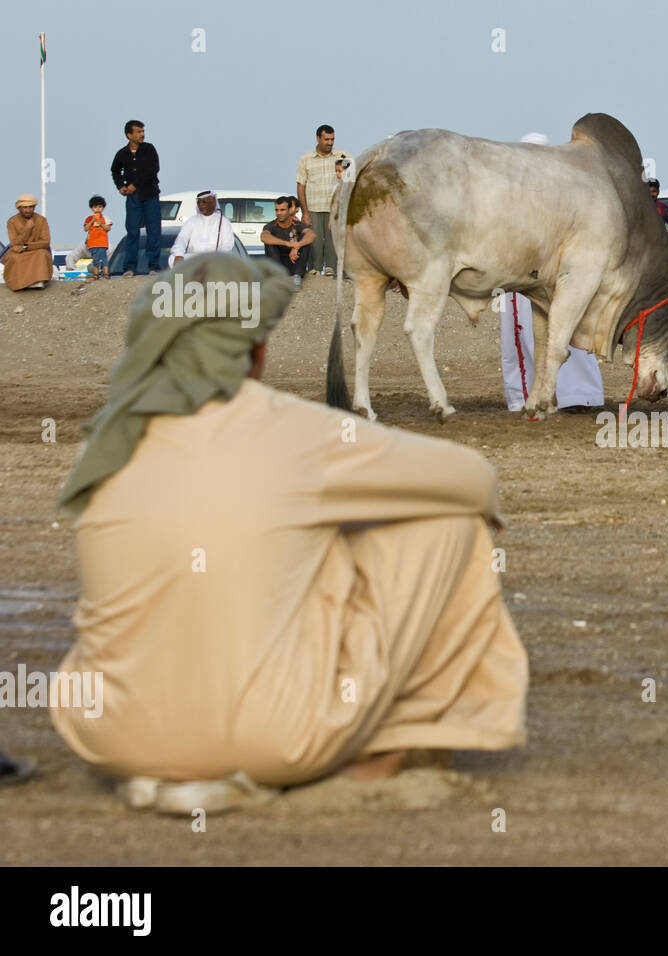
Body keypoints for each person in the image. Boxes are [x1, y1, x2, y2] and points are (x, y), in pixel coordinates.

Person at [52, 253, 528, 814]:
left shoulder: (103, 443)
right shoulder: (292, 430)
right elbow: (473, 480)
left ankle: (169, 767)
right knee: (450, 523)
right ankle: (380, 751)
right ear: (253, 351)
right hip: (270, 737)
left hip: (108, 734)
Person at [499, 132, 605, 414]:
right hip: (554, 276)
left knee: (537, 334)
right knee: (562, 331)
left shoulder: (523, 195)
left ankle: (541, 396)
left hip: (534, 276)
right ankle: (579, 394)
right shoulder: (570, 189)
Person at [110, 120, 163, 275]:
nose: (142, 134)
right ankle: (129, 267)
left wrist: (135, 185)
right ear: (129, 135)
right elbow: (115, 171)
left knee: (154, 230)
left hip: (150, 195)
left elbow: (153, 169)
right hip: (133, 199)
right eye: (138, 132)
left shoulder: (149, 149)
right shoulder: (122, 153)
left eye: (142, 131)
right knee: (132, 231)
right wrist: (121, 186)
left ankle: (153, 266)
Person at [297, 124, 350, 276]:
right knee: (315, 241)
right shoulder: (306, 159)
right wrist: (305, 212)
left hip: (335, 208)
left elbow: (352, 178)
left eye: (332, 139)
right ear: (318, 138)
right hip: (314, 207)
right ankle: (314, 270)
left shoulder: (342, 156)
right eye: (326, 139)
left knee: (333, 241)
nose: (330, 143)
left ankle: (331, 270)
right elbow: (301, 185)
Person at [169, 190, 236, 267]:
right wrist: (179, 254)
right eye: (199, 202)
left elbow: (227, 245)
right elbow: (181, 240)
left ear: (213, 202)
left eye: (204, 202)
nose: (200, 205)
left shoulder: (224, 222)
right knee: (174, 259)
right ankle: (178, 279)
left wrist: (218, 258)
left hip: (214, 259)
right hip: (193, 259)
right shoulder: (191, 221)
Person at [261, 196, 315, 289]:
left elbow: (311, 235)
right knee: (270, 240)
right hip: (278, 263)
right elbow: (264, 237)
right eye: (277, 210)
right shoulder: (271, 226)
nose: (279, 213)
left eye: (282, 210)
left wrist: (297, 246)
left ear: (290, 210)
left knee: (305, 238)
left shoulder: (298, 225)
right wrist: (288, 244)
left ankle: (297, 277)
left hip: (294, 263)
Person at [2, 195, 54, 290]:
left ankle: (38, 281)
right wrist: (27, 229)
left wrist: (25, 246)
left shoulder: (41, 220)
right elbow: (14, 243)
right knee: (14, 258)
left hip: (36, 250)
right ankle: (18, 284)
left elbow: (45, 242)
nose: (28, 210)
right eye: (25, 207)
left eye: (31, 207)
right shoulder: (12, 222)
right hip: (18, 251)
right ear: (19, 208)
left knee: (42, 254)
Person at [83, 196, 113, 280]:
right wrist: (92, 221)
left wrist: (101, 223)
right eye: (95, 207)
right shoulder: (89, 218)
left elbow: (108, 228)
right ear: (92, 208)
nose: (97, 209)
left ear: (103, 208)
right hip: (92, 243)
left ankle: (106, 274)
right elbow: (85, 229)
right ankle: (95, 275)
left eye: (100, 207)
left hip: (102, 242)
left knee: (104, 259)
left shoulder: (105, 218)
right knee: (95, 260)